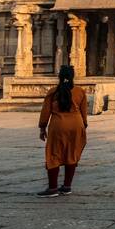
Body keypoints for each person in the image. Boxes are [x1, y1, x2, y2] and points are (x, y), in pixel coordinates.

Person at [37, 65, 88, 197]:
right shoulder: (80, 91)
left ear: (59, 76)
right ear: (72, 77)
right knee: (71, 154)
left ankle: (53, 188)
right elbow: (84, 113)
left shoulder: (53, 92)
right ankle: (67, 186)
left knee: (54, 154)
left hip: (58, 125)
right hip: (76, 124)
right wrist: (84, 126)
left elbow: (45, 112)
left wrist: (42, 128)